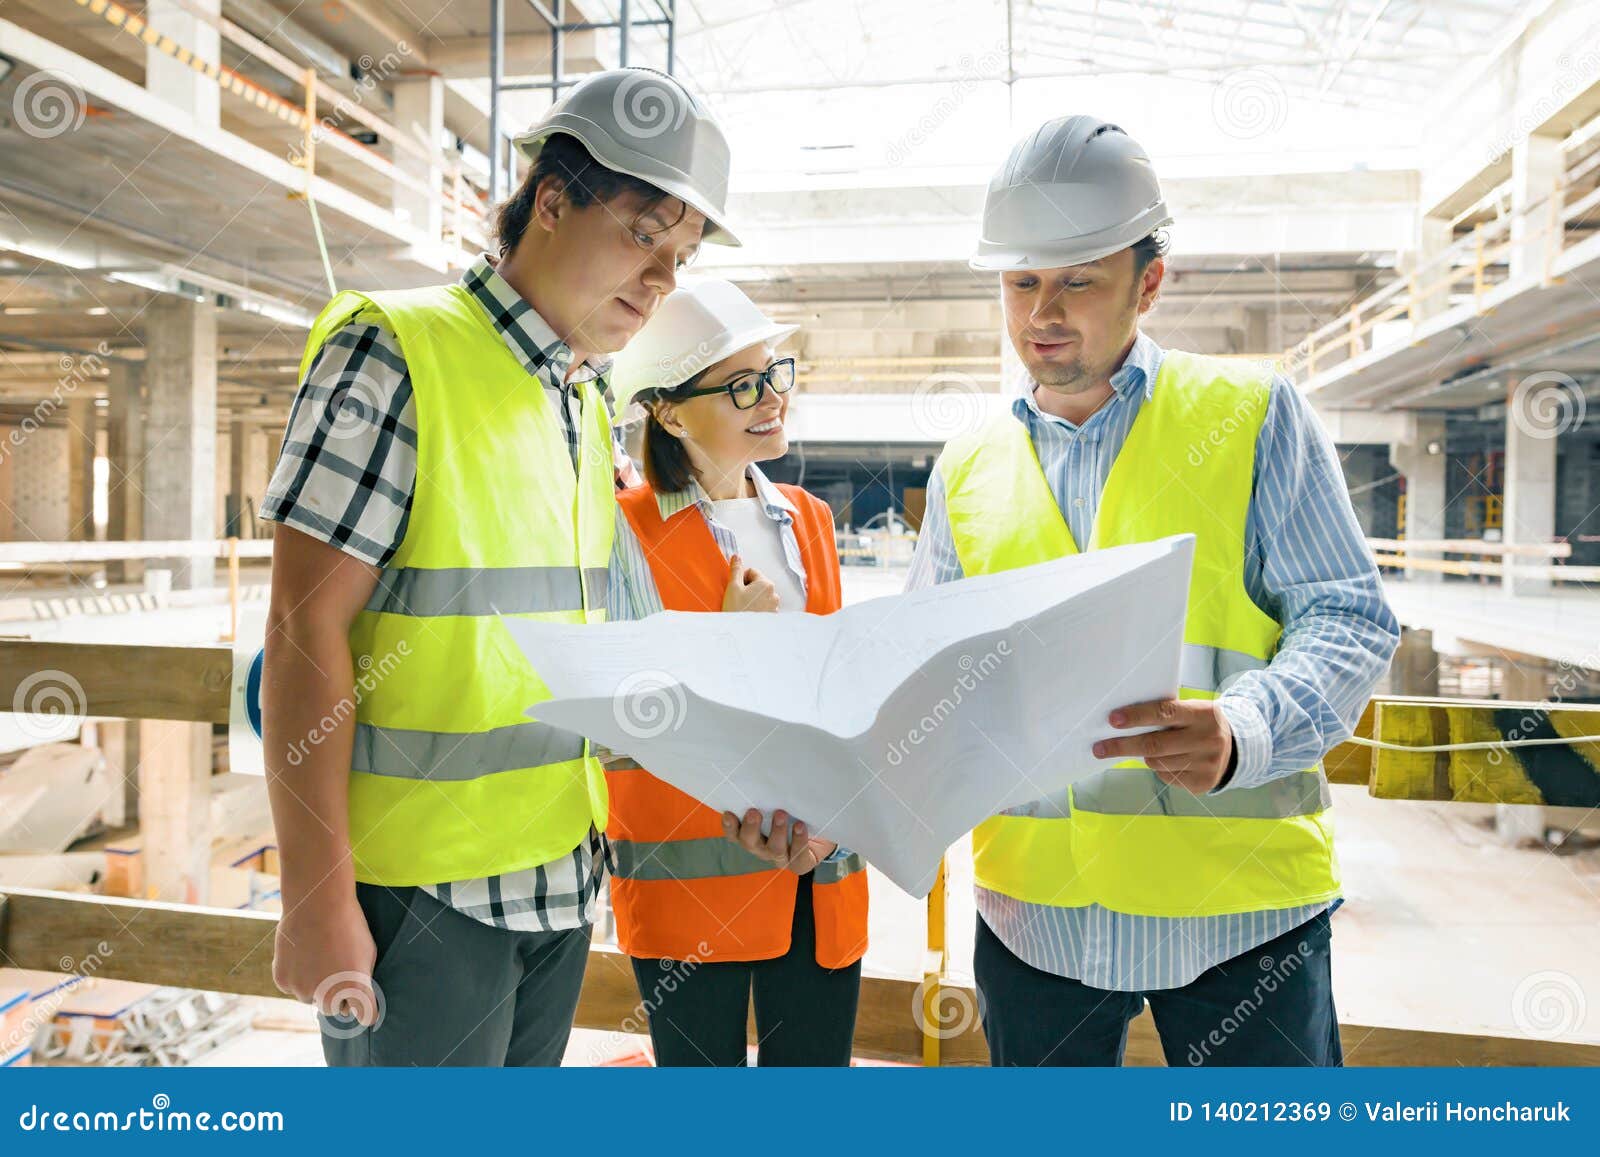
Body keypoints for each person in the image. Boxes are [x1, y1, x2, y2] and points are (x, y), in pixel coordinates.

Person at [260, 68, 741, 1067]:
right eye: (644, 234)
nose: (660, 282)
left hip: (557, 874)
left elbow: (590, 654)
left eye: (681, 257)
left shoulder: (582, 399)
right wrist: (315, 894)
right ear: (551, 201)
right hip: (420, 899)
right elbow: (301, 627)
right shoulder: (394, 353)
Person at [905, 115, 1399, 1067]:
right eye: (1021, 282)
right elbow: (927, 676)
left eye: (1079, 280)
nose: (1043, 311)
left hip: (1240, 919)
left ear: (1150, 281)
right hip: (1032, 921)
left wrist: (1243, 730)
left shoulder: (1253, 414)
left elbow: (1347, 613)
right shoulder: (967, 467)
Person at [603, 279, 869, 1066]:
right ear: (672, 412)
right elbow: (617, 719)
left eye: (776, 373)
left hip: (820, 881)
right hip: (692, 898)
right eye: (743, 385)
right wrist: (722, 643)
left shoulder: (807, 518)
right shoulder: (625, 530)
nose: (771, 398)